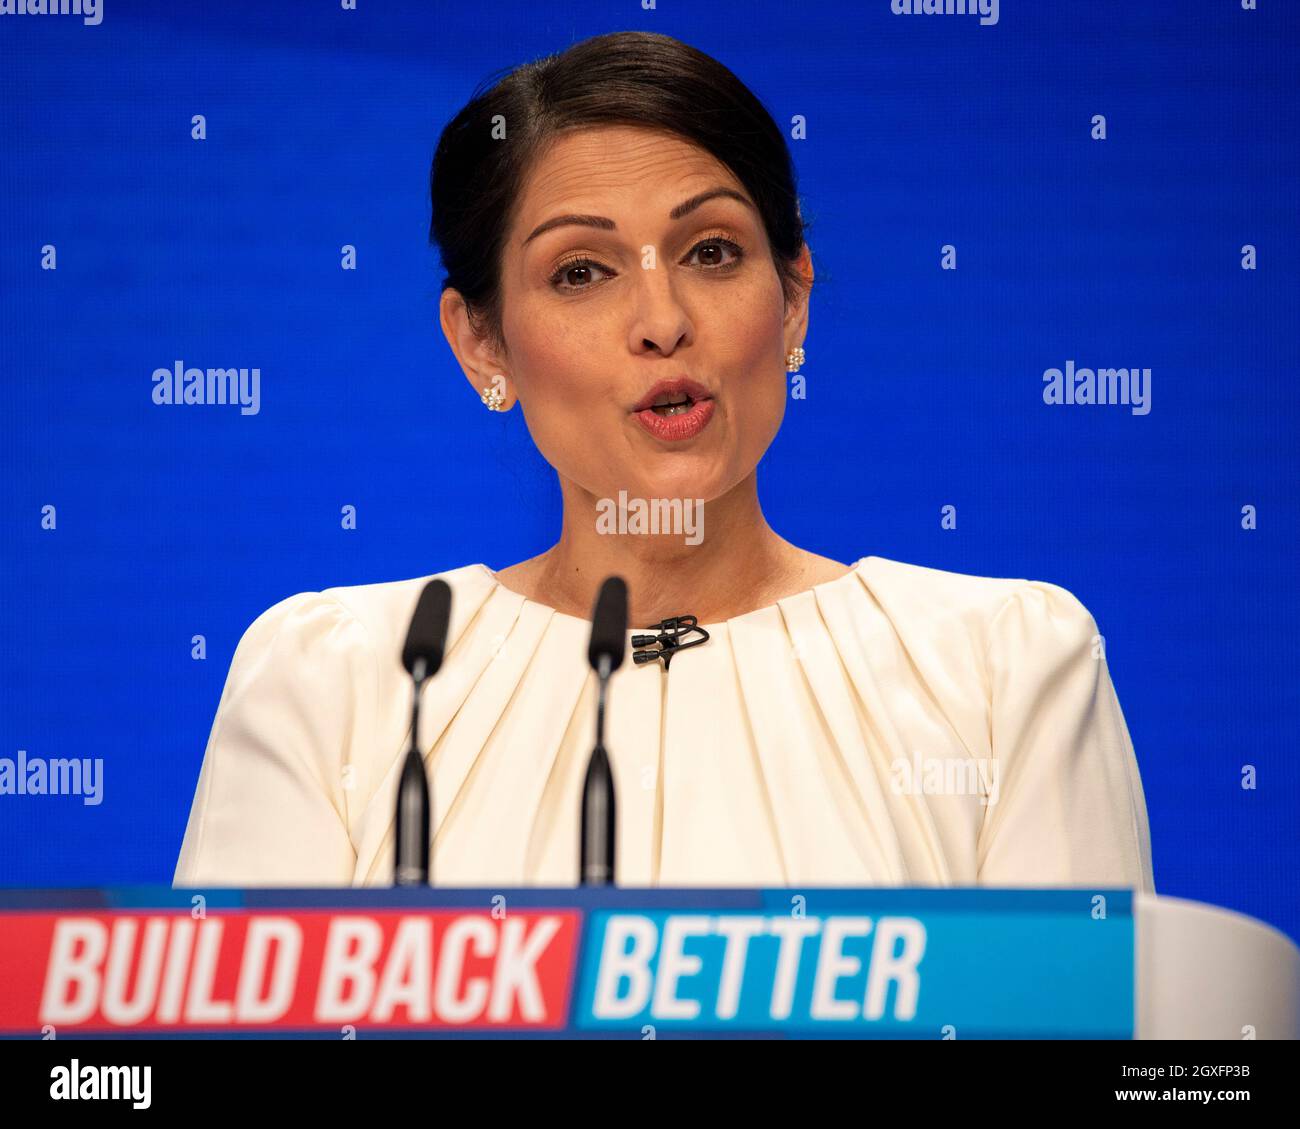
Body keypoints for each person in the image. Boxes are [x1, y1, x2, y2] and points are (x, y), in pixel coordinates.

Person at [174, 31, 1154, 892]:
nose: (661, 322)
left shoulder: (999, 667)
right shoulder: (344, 679)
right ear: (482, 344)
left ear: (795, 297)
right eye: (581, 273)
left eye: (713, 253)